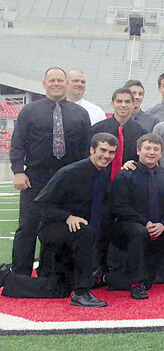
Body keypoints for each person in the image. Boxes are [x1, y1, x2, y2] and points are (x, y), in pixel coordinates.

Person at [1, 132, 118, 306]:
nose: (106, 155)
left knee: (60, 289)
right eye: (103, 150)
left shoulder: (103, 174)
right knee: (84, 232)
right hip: (54, 229)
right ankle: (82, 293)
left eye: (111, 152)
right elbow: (41, 205)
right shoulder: (70, 172)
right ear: (92, 150)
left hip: (75, 235)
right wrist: (67, 217)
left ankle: (6, 278)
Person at [9, 67, 92, 276]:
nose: (56, 84)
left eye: (60, 80)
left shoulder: (80, 113)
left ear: (67, 84)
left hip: (67, 180)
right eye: (52, 80)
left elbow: (86, 148)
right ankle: (20, 276)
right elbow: (18, 143)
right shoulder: (29, 111)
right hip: (36, 178)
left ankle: (55, 274)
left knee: (61, 226)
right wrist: (18, 171)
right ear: (44, 84)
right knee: (28, 227)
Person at [108, 133, 164, 298]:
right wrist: (145, 223)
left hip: (159, 230)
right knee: (139, 232)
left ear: (161, 153)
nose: (151, 152)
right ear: (138, 151)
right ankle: (136, 285)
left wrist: (163, 225)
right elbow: (119, 206)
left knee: (161, 278)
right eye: (147, 148)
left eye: (156, 149)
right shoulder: (125, 175)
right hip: (129, 229)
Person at [90, 87, 143, 181]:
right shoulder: (97, 129)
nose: (123, 105)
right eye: (119, 101)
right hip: (99, 179)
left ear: (133, 104)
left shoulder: (141, 133)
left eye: (127, 102)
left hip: (129, 181)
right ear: (112, 104)